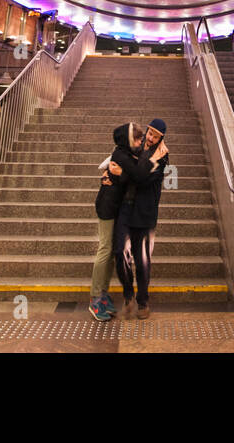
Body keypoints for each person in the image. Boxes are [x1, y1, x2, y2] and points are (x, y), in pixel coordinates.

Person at [112, 117, 169, 319]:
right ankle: (128, 293)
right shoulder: (135, 147)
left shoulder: (162, 157)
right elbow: (124, 163)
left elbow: (142, 178)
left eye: (155, 136)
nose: (150, 138)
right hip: (126, 209)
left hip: (145, 214)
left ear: (161, 138)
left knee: (142, 260)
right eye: (149, 133)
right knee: (120, 252)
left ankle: (143, 301)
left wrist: (124, 172)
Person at [90, 122, 146, 321]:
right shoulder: (120, 156)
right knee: (105, 249)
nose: (141, 142)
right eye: (138, 139)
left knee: (113, 251)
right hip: (107, 208)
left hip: (117, 209)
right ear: (128, 139)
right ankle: (96, 297)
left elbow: (131, 176)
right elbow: (138, 176)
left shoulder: (126, 155)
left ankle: (103, 294)